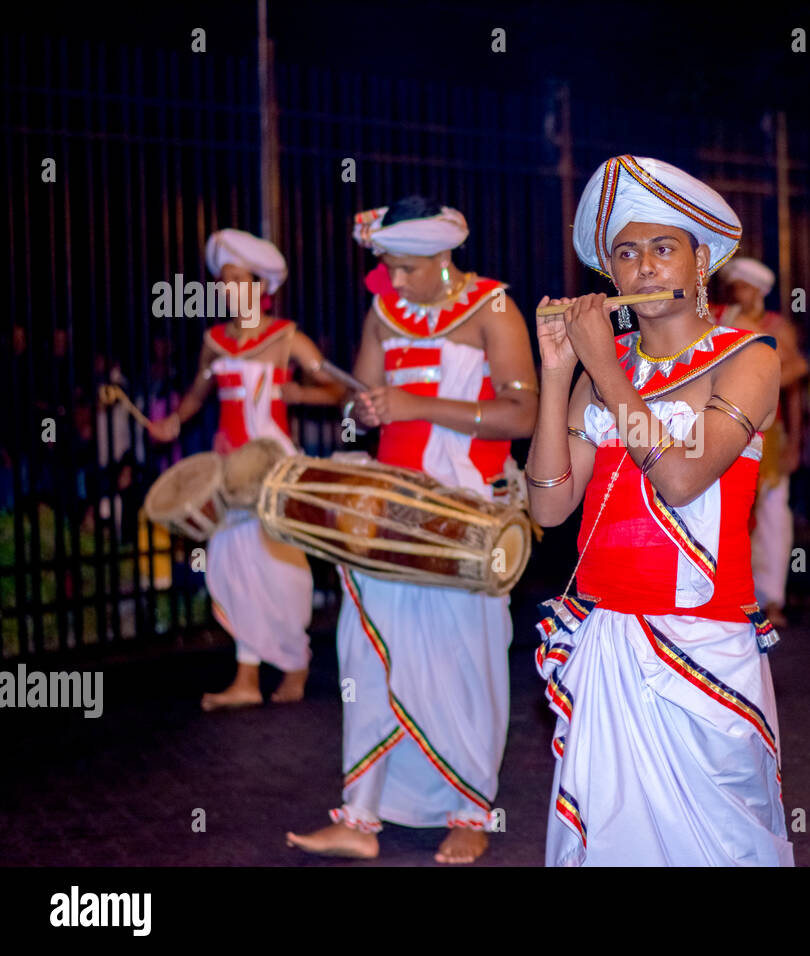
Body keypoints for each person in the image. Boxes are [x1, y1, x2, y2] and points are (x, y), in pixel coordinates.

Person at [528, 155, 794, 866]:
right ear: (609, 275)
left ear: (700, 261)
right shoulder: (596, 370)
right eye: (625, 253)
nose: (643, 267)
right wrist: (559, 377)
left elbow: (679, 480)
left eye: (662, 248)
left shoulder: (749, 358)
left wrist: (605, 371)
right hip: (608, 632)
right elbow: (551, 506)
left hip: (702, 644)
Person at [286, 197, 538, 865]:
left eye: (405, 269)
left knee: (461, 663)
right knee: (367, 657)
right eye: (387, 268)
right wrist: (365, 404)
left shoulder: (493, 309)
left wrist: (416, 403)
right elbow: (367, 401)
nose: (393, 282)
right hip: (387, 513)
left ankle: (468, 813)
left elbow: (521, 413)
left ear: (441, 258)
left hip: (462, 517)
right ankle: (360, 817)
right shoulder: (383, 312)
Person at [148, 228, 344, 709]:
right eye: (225, 280)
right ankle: (246, 679)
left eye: (240, 280)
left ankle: (295, 665)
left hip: (272, 462)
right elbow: (198, 394)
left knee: (280, 564)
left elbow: (337, 388)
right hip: (227, 466)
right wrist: (172, 421)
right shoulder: (214, 341)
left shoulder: (286, 336)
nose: (230, 289)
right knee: (232, 564)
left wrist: (299, 393)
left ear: (262, 287)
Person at [712, 257, 810, 627]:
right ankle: (735, 594)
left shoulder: (774, 327)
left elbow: (797, 374)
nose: (738, 292)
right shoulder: (720, 316)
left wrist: (795, 442)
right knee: (732, 514)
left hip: (767, 434)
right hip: (725, 428)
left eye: (744, 287)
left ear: (758, 291)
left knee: (771, 516)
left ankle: (771, 600)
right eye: (734, 286)